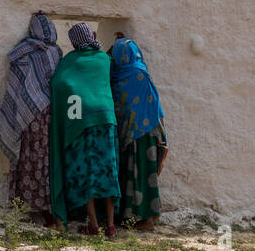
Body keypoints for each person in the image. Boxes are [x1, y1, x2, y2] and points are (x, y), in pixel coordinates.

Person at [49, 22, 121, 238]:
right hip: (107, 120)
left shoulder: (70, 61)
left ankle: (93, 225)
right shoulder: (103, 59)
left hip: (81, 123)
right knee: (108, 171)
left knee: (85, 172)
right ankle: (110, 225)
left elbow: (59, 83)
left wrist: (72, 106)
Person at [0, 12, 62, 227]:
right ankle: (47, 210)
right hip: (49, 115)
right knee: (45, 160)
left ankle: (24, 206)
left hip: (26, 116)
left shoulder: (23, 51)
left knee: (24, 158)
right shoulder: (55, 53)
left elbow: (17, 80)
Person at [109, 32, 167, 231]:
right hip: (149, 132)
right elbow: (155, 104)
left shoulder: (119, 77)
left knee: (131, 174)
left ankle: (134, 218)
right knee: (146, 176)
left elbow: (119, 106)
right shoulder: (143, 72)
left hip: (131, 135)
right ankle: (148, 218)